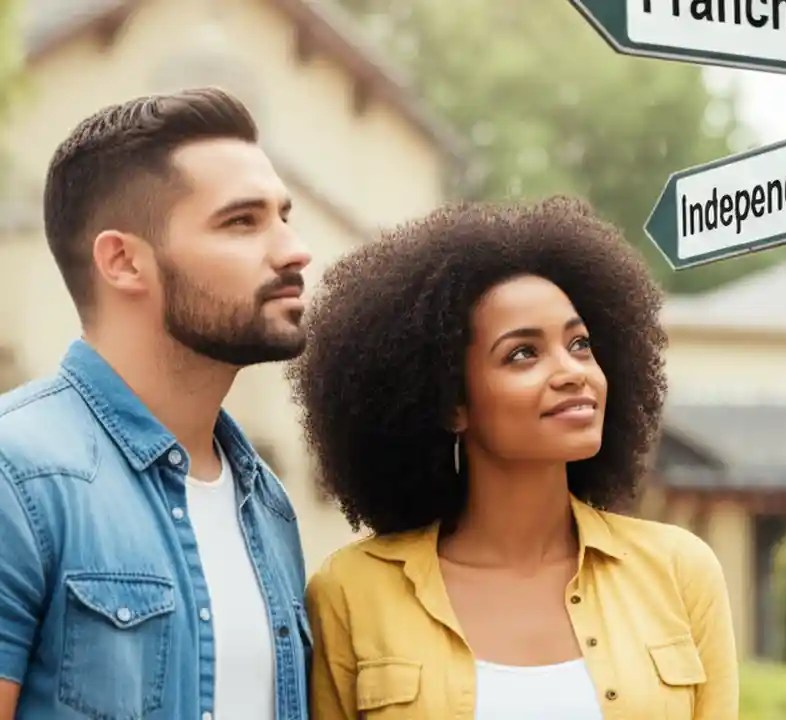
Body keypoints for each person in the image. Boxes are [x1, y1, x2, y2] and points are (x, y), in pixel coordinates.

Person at [291, 196, 738, 719]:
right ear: (452, 402)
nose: (573, 372)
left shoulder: (680, 572)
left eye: (580, 344)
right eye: (522, 353)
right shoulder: (351, 592)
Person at [0, 88, 314, 720]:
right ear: (122, 261)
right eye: (241, 222)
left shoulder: (269, 505)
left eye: (284, 216)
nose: (292, 250)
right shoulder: (18, 475)